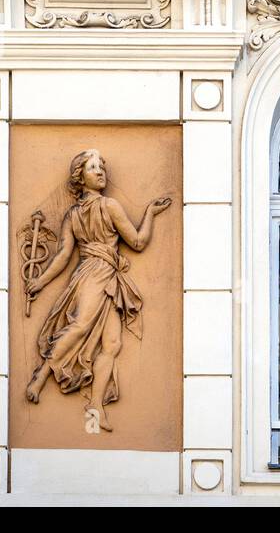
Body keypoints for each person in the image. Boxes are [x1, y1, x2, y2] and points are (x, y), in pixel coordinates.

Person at [24, 149, 171, 432]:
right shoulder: (77, 214)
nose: (101, 171)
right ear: (80, 176)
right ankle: (41, 376)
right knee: (79, 325)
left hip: (109, 278)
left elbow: (137, 242)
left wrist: (150, 213)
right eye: (93, 168)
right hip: (92, 274)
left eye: (102, 166)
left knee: (112, 345)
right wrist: (39, 282)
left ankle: (96, 406)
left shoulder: (109, 206)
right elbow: (63, 256)